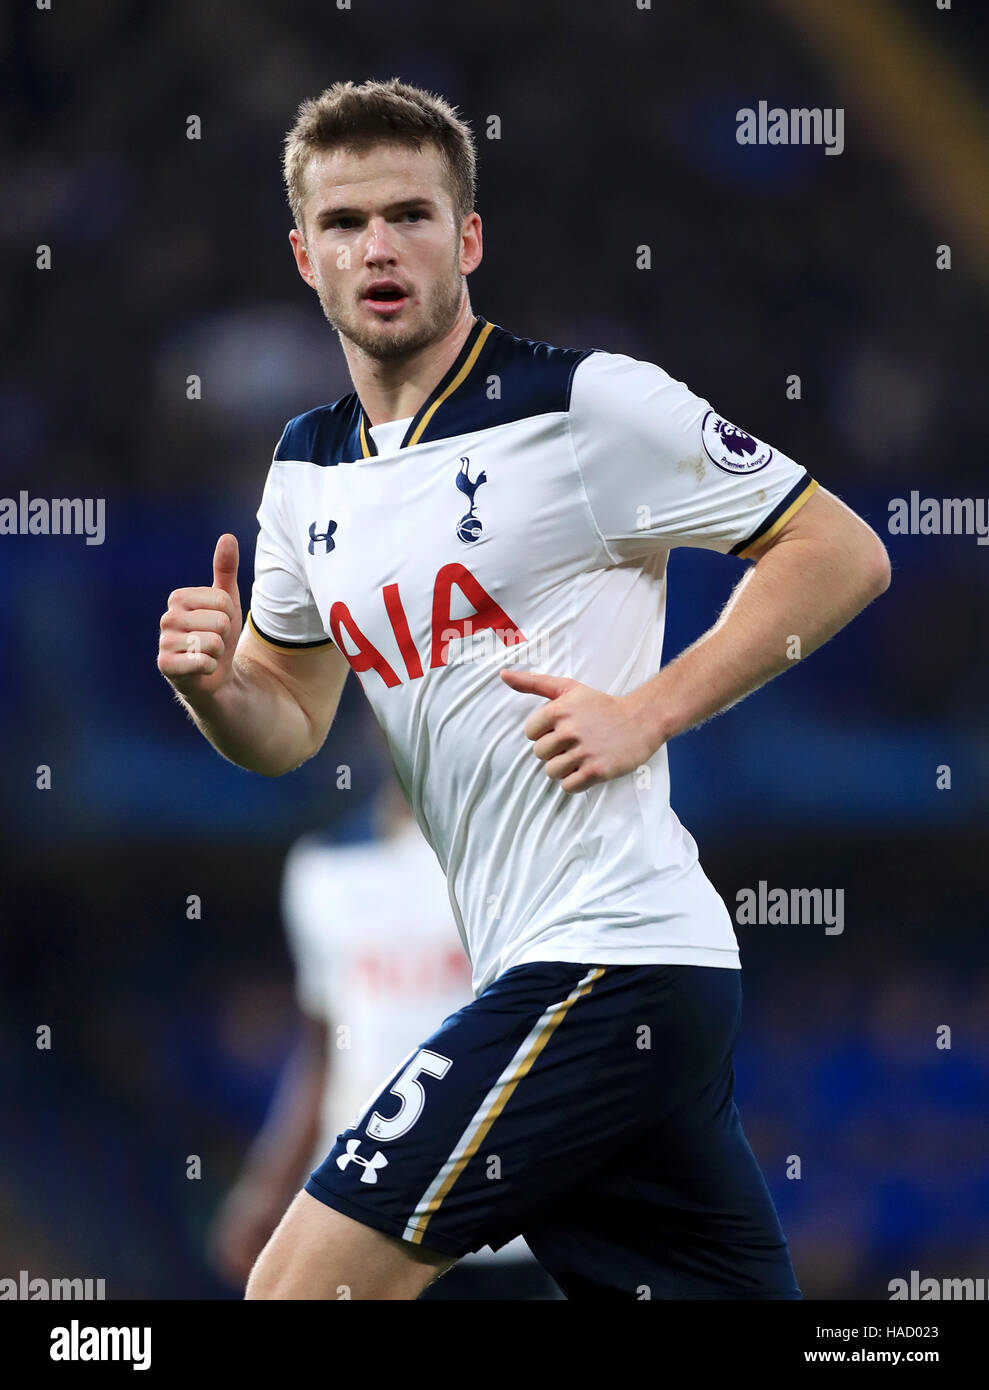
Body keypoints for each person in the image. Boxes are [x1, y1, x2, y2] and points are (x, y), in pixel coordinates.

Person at [157, 77, 890, 1300]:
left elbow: (839, 553)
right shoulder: (305, 468)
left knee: (295, 1293)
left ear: (469, 237)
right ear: (303, 255)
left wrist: (646, 709)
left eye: (410, 214)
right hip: (577, 975)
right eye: (345, 224)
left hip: (609, 956)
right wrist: (209, 684)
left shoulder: (584, 405)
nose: (378, 247)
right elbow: (286, 719)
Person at [207, 773, 558, 1299]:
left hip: (510, 1217)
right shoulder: (324, 873)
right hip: (364, 1211)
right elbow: (324, 1054)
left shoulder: (528, 865)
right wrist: (267, 1187)